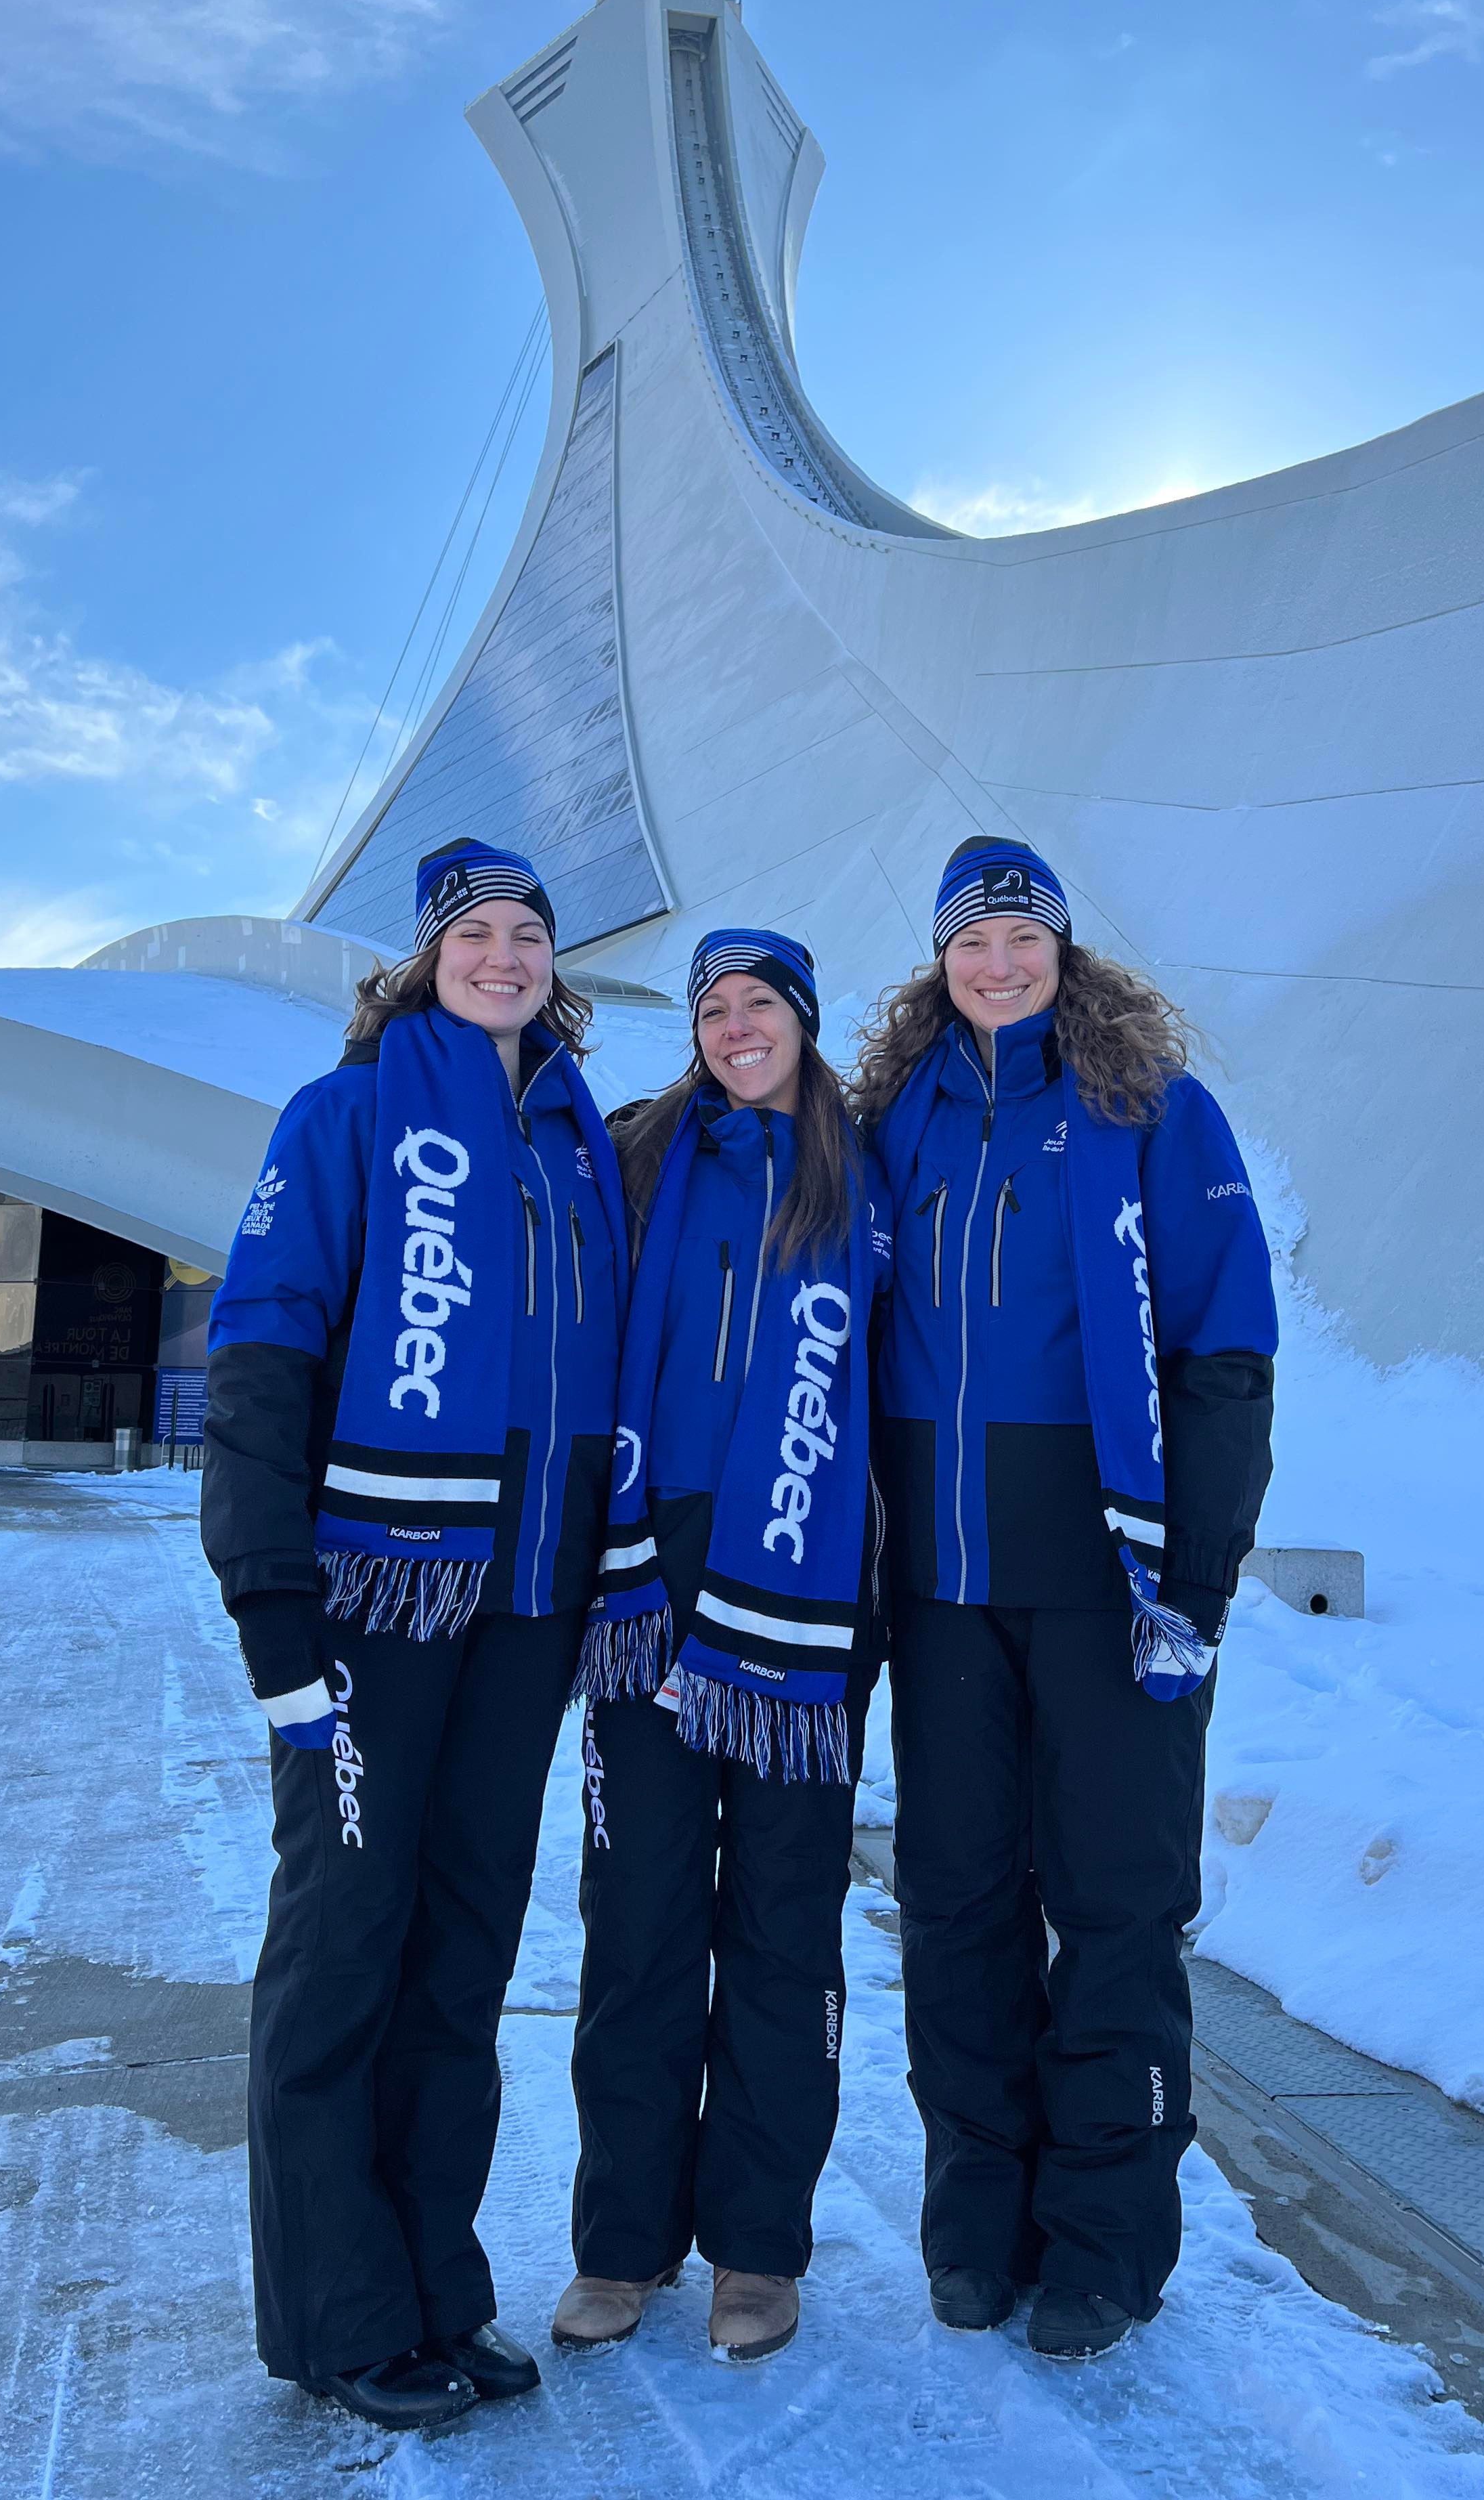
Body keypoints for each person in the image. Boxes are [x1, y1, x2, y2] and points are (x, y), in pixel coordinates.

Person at [199, 837, 628, 2434]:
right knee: (343, 1952)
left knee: (461, 1960)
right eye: (475, 932)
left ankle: (437, 2283)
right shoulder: (348, 1116)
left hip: (523, 1611)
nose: (504, 954)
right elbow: (262, 1359)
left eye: (528, 933)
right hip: (377, 1603)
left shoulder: (577, 1146)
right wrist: (271, 1602)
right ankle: (343, 2316)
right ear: (425, 958)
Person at [854, 836, 1276, 2362]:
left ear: (1063, 951)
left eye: (1022, 936)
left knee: (1114, 1908)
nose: (998, 963)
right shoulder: (894, 1118)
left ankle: (1105, 2239)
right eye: (971, 941)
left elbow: (1225, 1352)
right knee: (958, 1905)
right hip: (944, 1588)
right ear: (940, 963)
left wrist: (1198, 1580)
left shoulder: (1150, 1110)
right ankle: (979, 2220)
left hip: (1112, 1582)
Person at [552, 930, 883, 2367]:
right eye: (714, 1008)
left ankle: (758, 2244)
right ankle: (621, 2241)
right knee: (637, 1920)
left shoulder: (870, 1171)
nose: (736, 1027)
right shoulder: (639, 1154)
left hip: (809, 1577)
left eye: (761, 1005)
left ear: (803, 1021)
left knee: (783, 1924)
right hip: (648, 1572)